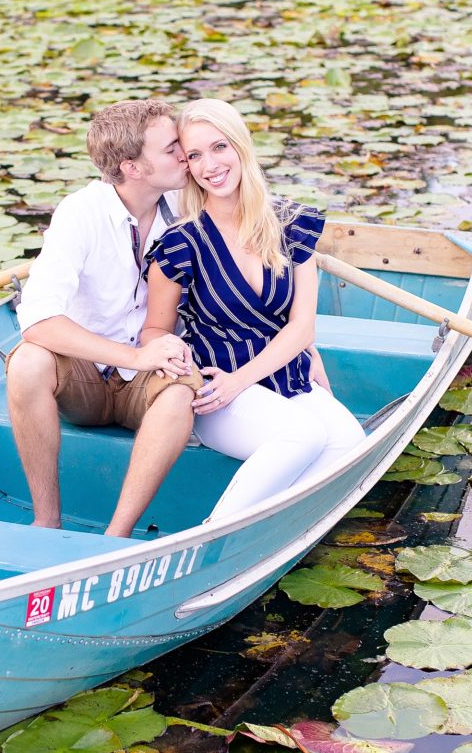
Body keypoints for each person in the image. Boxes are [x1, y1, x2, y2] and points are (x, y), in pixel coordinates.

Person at [143, 98, 365, 520]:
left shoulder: (291, 224)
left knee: (347, 442)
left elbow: (302, 329)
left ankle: (269, 532)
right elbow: (154, 330)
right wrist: (179, 361)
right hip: (215, 391)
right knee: (300, 436)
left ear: (241, 146)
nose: (210, 165)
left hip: (278, 374)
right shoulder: (181, 243)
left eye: (219, 147)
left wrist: (251, 376)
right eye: (194, 155)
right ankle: (213, 537)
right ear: (186, 166)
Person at [7, 99, 204, 538]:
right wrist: (133, 357)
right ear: (132, 168)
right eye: (171, 147)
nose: (184, 154)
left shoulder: (190, 201)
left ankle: (115, 536)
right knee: (27, 361)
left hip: (152, 380)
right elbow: (38, 319)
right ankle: (46, 521)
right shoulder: (81, 212)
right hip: (88, 380)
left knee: (178, 396)